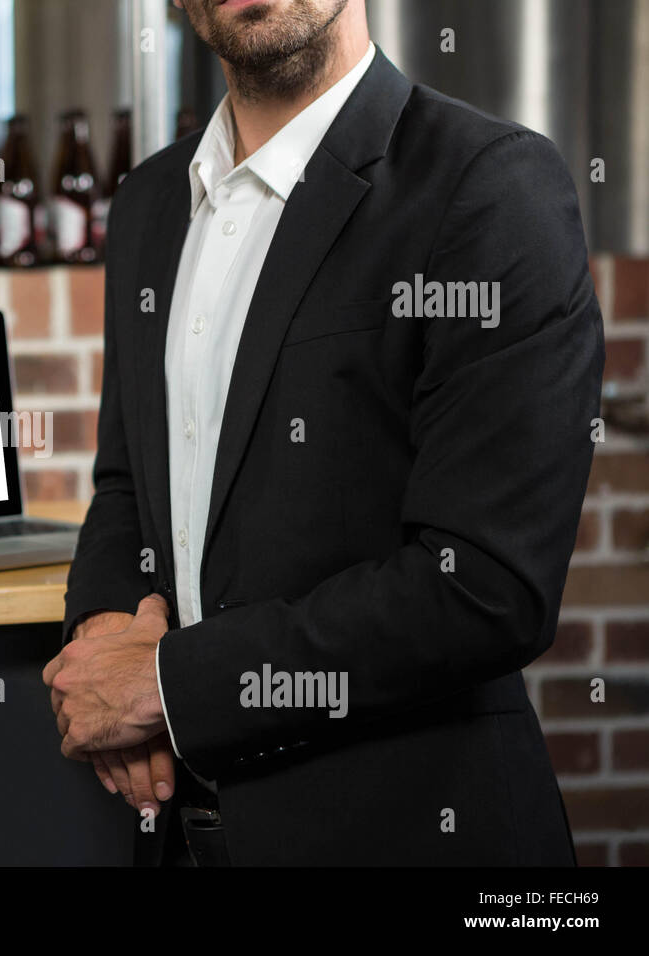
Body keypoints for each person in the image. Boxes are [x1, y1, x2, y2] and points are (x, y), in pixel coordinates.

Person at [44, 0, 602, 866]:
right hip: (182, 840)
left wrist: (163, 688)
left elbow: (488, 588)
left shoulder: (489, 186)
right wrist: (104, 637)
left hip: (409, 836)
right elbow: (127, 486)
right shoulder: (149, 203)